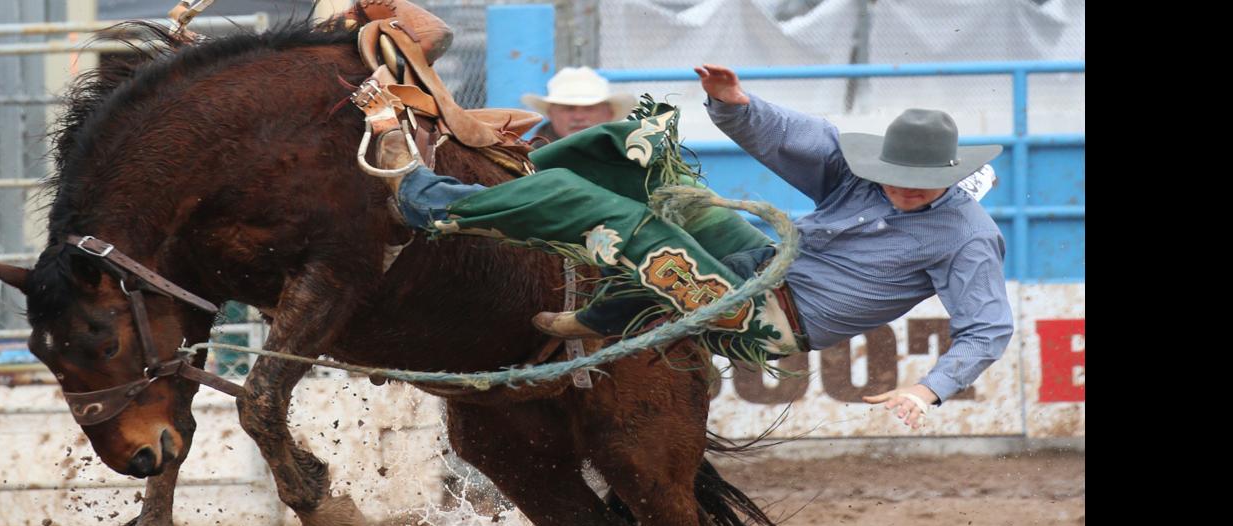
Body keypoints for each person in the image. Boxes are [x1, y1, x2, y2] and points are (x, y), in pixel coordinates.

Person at [372, 58, 1013, 430]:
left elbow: (987, 328)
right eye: (893, 175)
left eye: (918, 183)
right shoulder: (861, 175)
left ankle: (428, 202)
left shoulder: (966, 237)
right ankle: (512, 189)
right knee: (636, 149)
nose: (902, 188)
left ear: (948, 177)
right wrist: (735, 104)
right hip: (760, 261)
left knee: (601, 212)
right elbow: (802, 138)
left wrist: (926, 390)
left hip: (766, 317)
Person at [521, 67, 636, 143]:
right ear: (551, 113)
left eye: (589, 108)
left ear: (609, 113)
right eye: (568, 108)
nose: (578, 117)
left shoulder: (631, 157)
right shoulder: (526, 160)